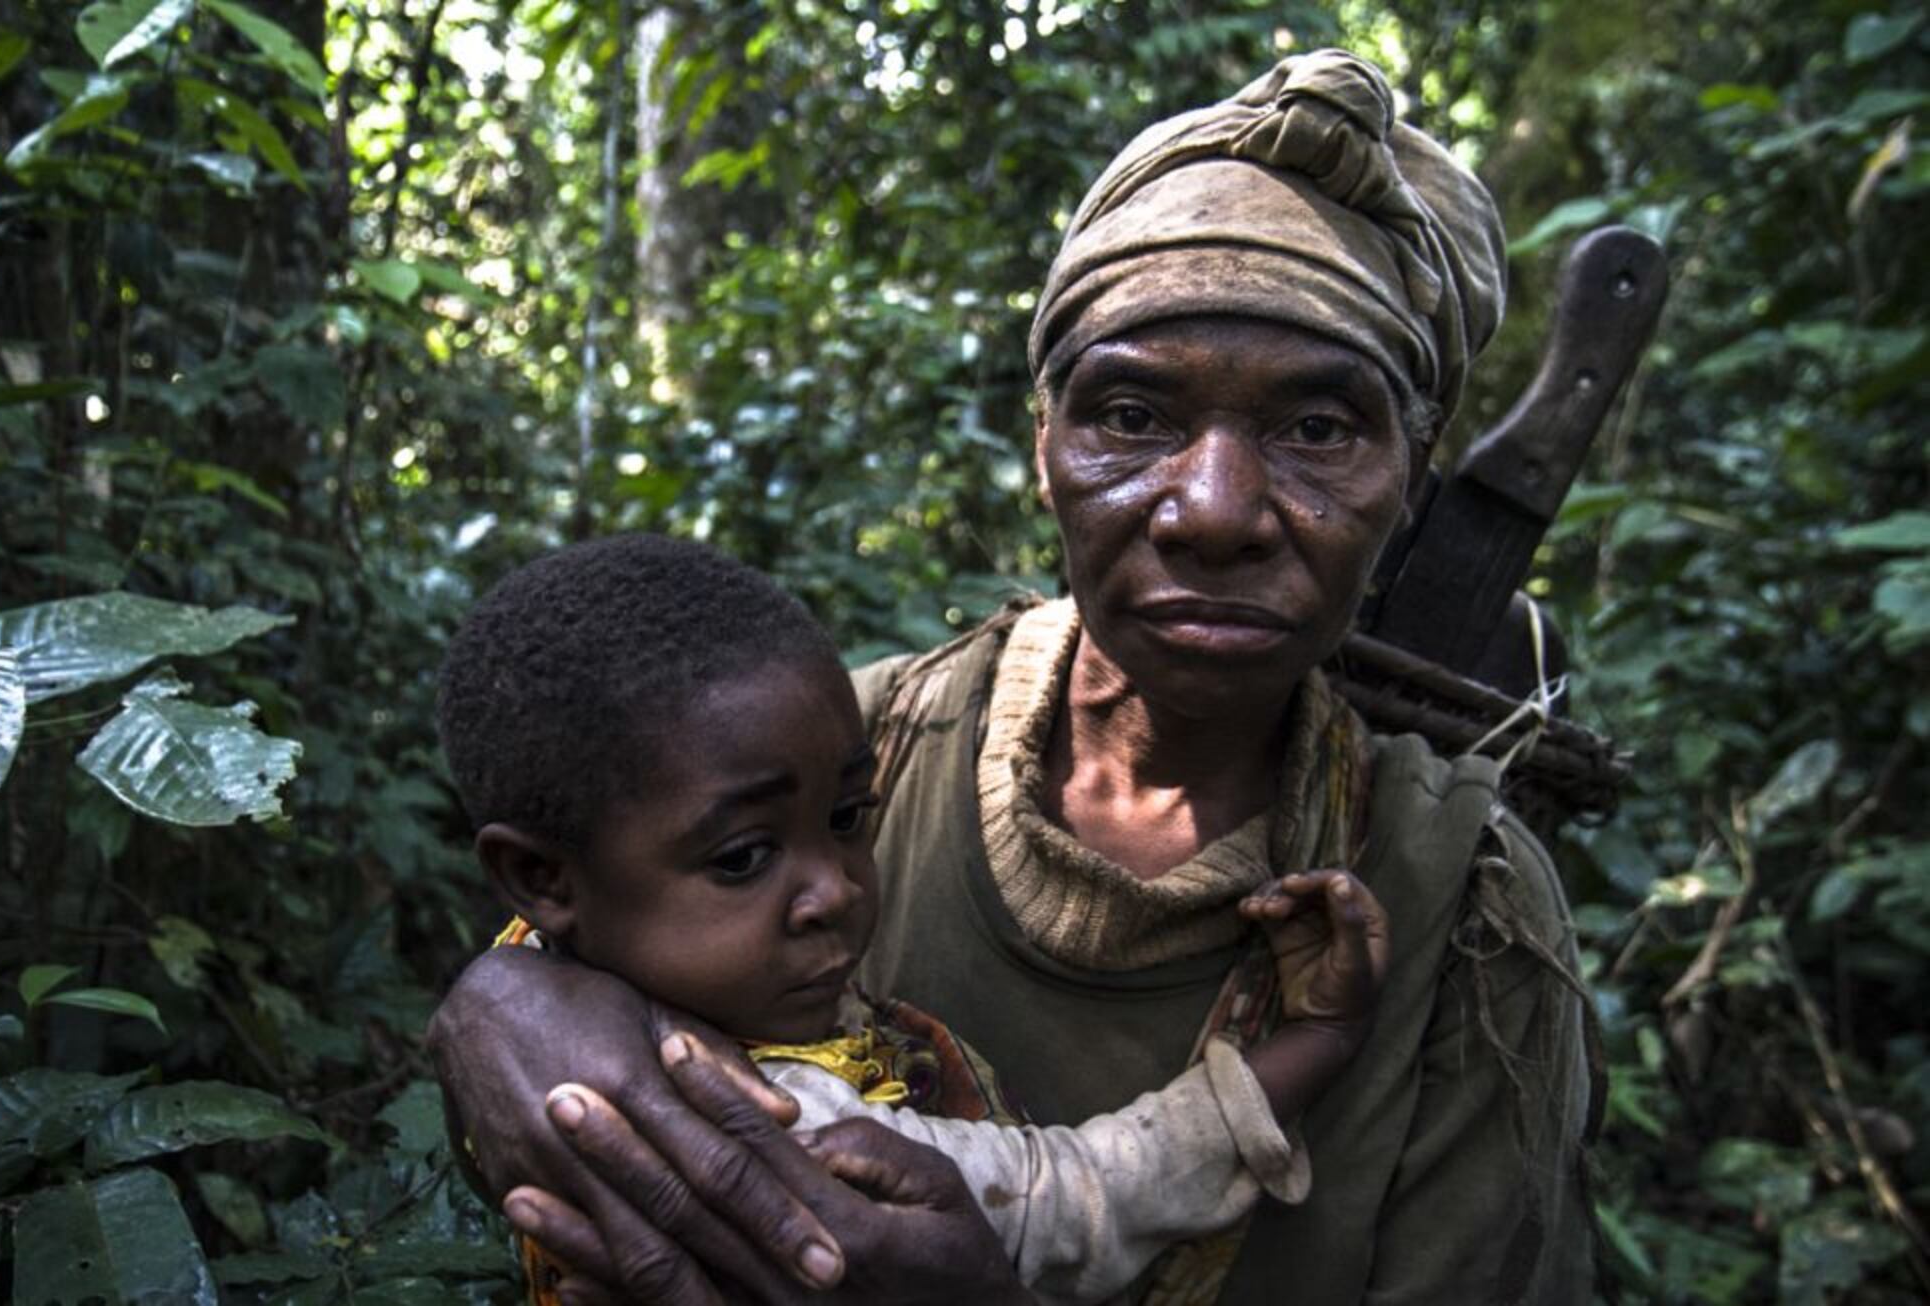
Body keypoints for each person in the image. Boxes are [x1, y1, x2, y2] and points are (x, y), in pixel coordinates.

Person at [429, 44, 1598, 1306]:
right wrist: (498, 1001)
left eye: (1318, 428)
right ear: (1044, 449)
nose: (1214, 511)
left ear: (1407, 480)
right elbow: (572, 917)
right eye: (1132, 416)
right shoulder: (846, 754)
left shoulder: (1459, 909)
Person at [437, 531, 1392, 1305]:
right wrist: (1314, 1041)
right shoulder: (785, 1128)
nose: (835, 890)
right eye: (742, 859)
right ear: (541, 878)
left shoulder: (558, 1041)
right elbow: (1082, 1198)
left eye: (847, 818)